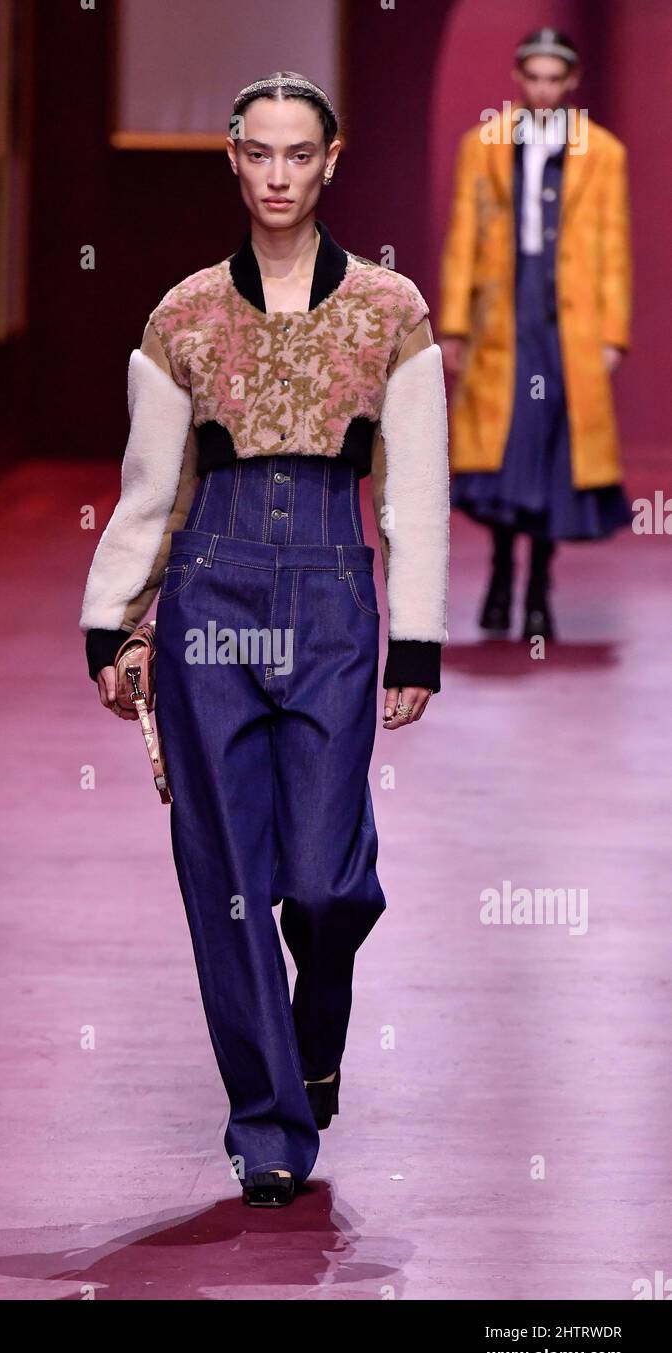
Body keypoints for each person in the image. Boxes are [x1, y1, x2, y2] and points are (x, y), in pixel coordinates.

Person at [79, 72, 450, 1207]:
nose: (279, 176)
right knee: (228, 874)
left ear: (331, 161)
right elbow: (151, 487)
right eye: (260, 155)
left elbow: (416, 492)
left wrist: (418, 638)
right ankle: (270, 1122)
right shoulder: (181, 315)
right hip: (211, 591)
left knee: (326, 884)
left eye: (300, 154)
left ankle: (315, 1026)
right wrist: (110, 620)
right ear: (231, 161)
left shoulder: (390, 309)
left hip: (334, 595)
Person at [439, 28, 632, 640]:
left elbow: (614, 246)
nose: (544, 89)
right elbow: (462, 236)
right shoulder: (483, 146)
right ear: (519, 79)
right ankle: (500, 574)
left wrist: (612, 333)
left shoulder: (603, 151)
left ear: (571, 81)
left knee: (554, 449)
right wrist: (454, 323)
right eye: (535, 77)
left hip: (566, 319)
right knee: (505, 444)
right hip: (506, 313)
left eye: (556, 78)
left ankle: (541, 588)